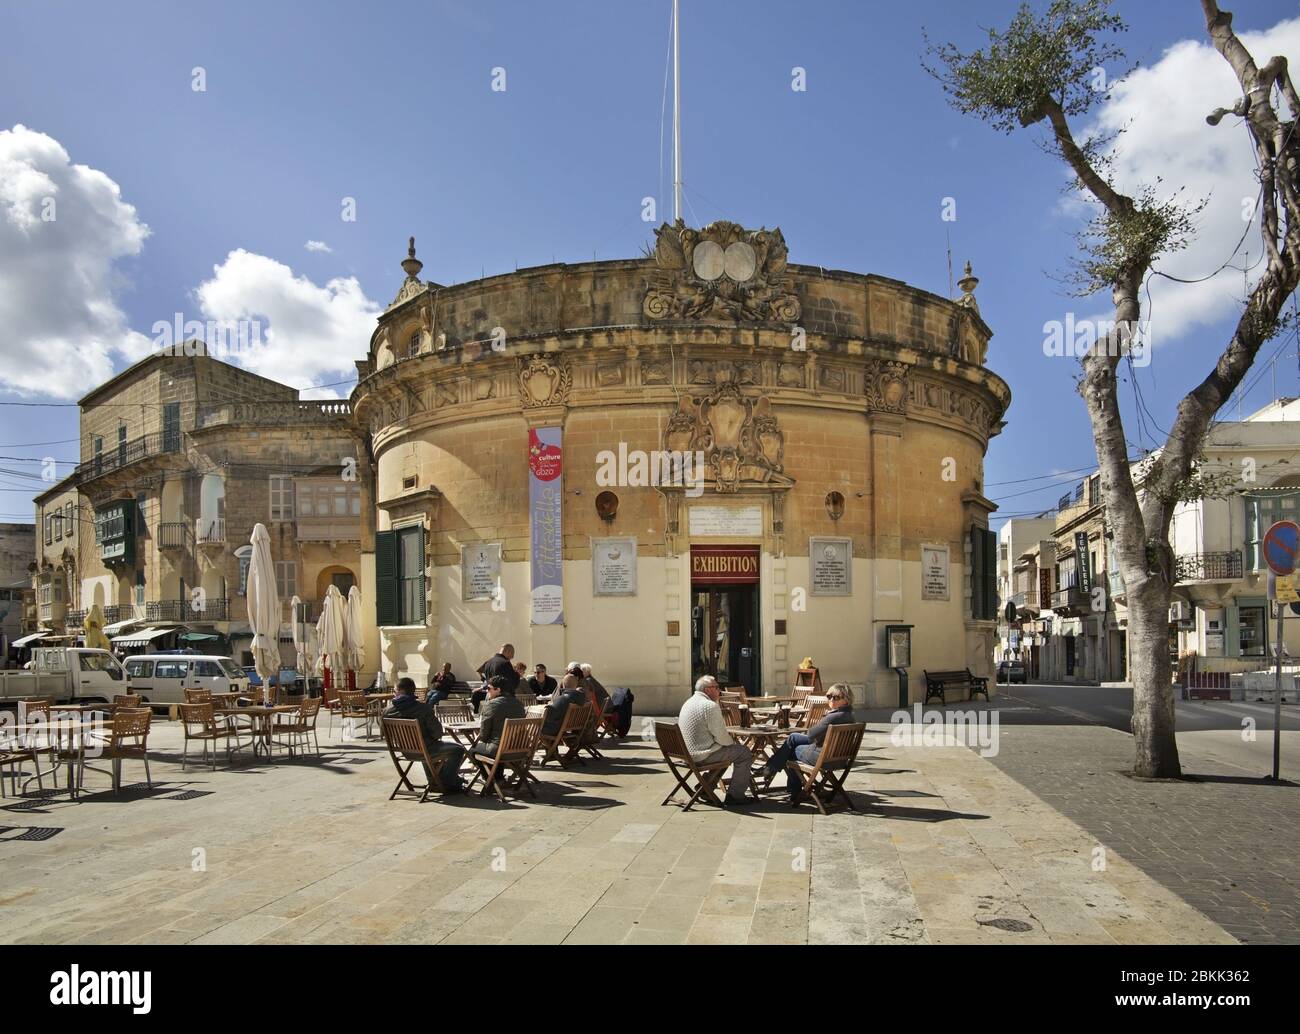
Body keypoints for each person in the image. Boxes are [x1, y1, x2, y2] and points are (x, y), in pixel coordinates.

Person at [761, 683, 856, 803]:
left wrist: (825, 718)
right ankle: (772, 770)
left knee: (791, 750)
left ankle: (789, 787)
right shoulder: (850, 716)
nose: (831, 699)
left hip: (821, 758)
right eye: (829, 696)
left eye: (836, 697)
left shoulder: (833, 717)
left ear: (846, 700)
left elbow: (811, 735)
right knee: (793, 738)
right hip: (839, 759)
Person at [678, 675, 753, 806]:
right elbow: (722, 737)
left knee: (727, 751)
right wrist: (733, 743)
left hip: (685, 754)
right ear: (707, 690)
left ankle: (705, 789)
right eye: (716, 687)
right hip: (700, 755)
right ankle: (735, 796)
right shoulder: (709, 706)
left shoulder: (688, 702)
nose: (719, 690)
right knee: (743, 753)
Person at [383, 677, 466, 794]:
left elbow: (385, 733)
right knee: (458, 749)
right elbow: (437, 733)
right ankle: (447, 782)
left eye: (394, 691)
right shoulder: (423, 709)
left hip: (405, 751)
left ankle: (435, 781)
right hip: (425, 749)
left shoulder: (387, 711)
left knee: (425, 747)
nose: (393, 694)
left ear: (400, 692)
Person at [473, 675, 526, 760]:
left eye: (489, 688)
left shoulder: (491, 705)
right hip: (520, 750)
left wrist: (477, 736)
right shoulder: (519, 704)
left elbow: (484, 736)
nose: (487, 691)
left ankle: (493, 773)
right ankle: (497, 773)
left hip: (499, 751)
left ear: (498, 690)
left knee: (473, 750)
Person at [474, 644, 520, 713]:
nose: (512, 658)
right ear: (507, 651)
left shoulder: (488, 663)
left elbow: (486, 680)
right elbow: (513, 684)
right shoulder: (505, 663)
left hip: (490, 697)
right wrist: (517, 674)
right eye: (511, 655)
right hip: (503, 701)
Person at [541, 672, 587, 737]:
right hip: (569, 728)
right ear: (576, 685)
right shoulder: (581, 698)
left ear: (564, 685)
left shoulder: (564, 699)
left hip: (556, 729)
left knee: (534, 725)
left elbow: (550, 714)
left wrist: (549, 706)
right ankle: (552, 746)